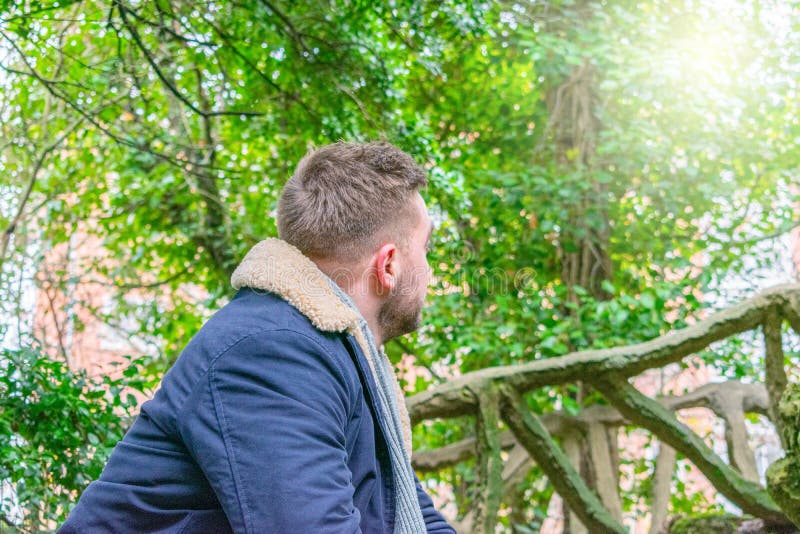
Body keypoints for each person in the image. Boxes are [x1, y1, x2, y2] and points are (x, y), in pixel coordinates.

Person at [60, 141, 456, 533]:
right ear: (388, 265)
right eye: (425, 249)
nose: (431, 271)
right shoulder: (271, 352)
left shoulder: (341, 361)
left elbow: (406, 511)